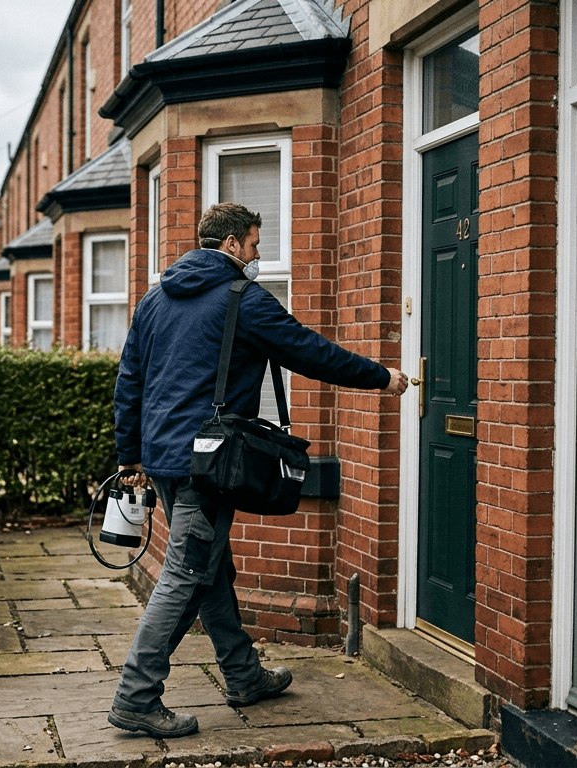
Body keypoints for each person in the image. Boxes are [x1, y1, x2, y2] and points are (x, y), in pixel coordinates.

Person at [108, 202, 410, 738]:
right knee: (185, 574)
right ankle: (136, 695)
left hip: (165, 459)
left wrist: (130, 455)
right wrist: (380, 377)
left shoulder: (154, 299)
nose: (257, 253)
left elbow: (129, 378)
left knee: (209, 567)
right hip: (208, 465)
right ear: (229, 244)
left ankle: (243, 675)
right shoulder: (243, 299)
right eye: (252, 243)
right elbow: (310, 352)